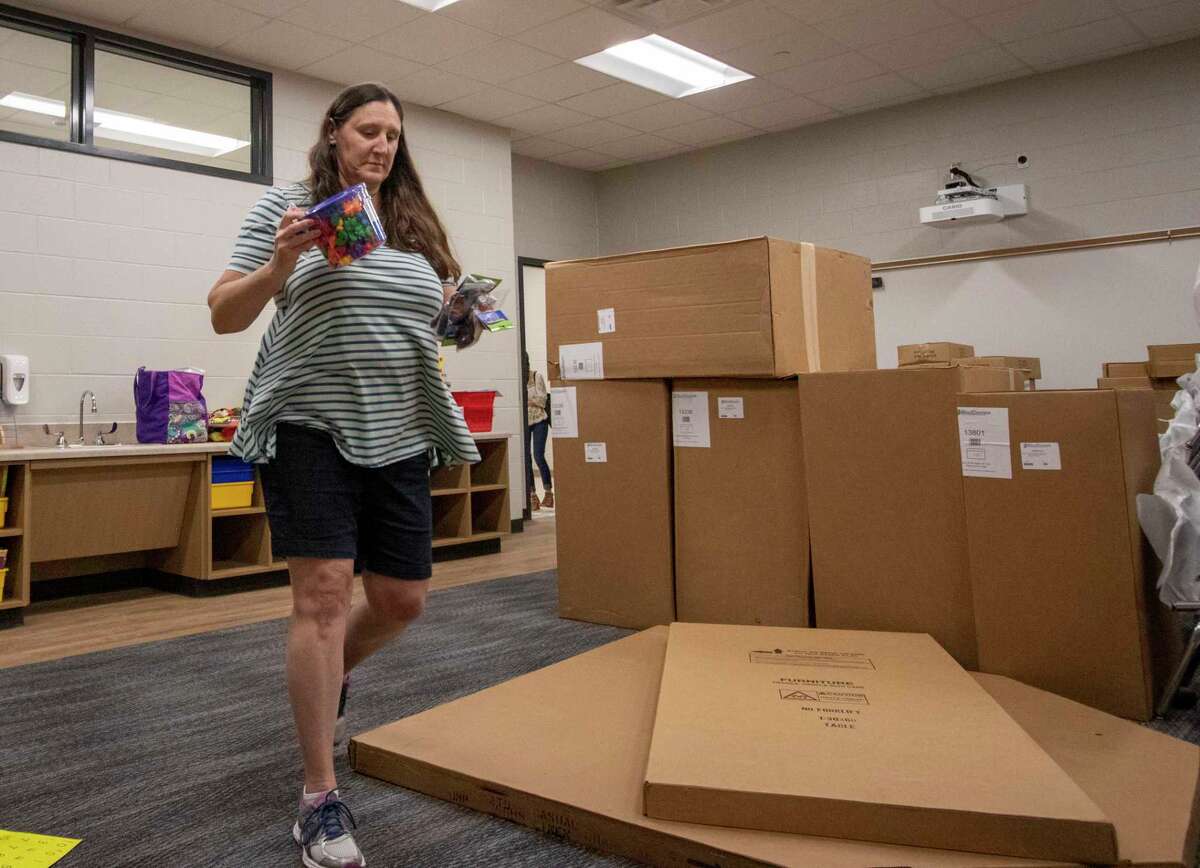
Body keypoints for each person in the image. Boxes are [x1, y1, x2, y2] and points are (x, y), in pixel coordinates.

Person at [207, 82, 478, 868]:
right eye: (368, 130)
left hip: (398, 428)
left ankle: (325, 678)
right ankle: (319, 800)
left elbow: (432, 328)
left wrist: (460, 318)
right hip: (309, 426)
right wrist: (280, 262)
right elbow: (225, 311)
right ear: (333, 135)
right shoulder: (287, 210)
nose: (383, 146)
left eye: (393, 134)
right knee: (322, 600)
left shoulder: (413, 225)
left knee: (401, 599)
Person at [525, 352, 553, 510]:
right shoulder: (518, 380)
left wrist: (528, 400)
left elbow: (542, 401)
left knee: (538, 455)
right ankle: (532, 496)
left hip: (539, 420)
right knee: (526, 459)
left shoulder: (536, 376)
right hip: (525, 422)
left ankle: (548, 493)